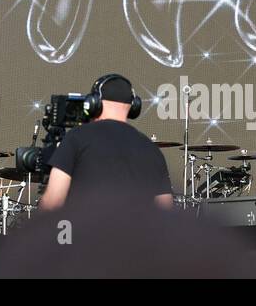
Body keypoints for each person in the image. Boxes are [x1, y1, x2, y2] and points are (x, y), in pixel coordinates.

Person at [38, 74, 173, 212]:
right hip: (138, 233)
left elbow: (53, 202)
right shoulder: (152, 150)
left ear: (93, 103)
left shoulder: (76, 138)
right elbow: (165, 209)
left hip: (85, 232)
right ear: (133, 107)